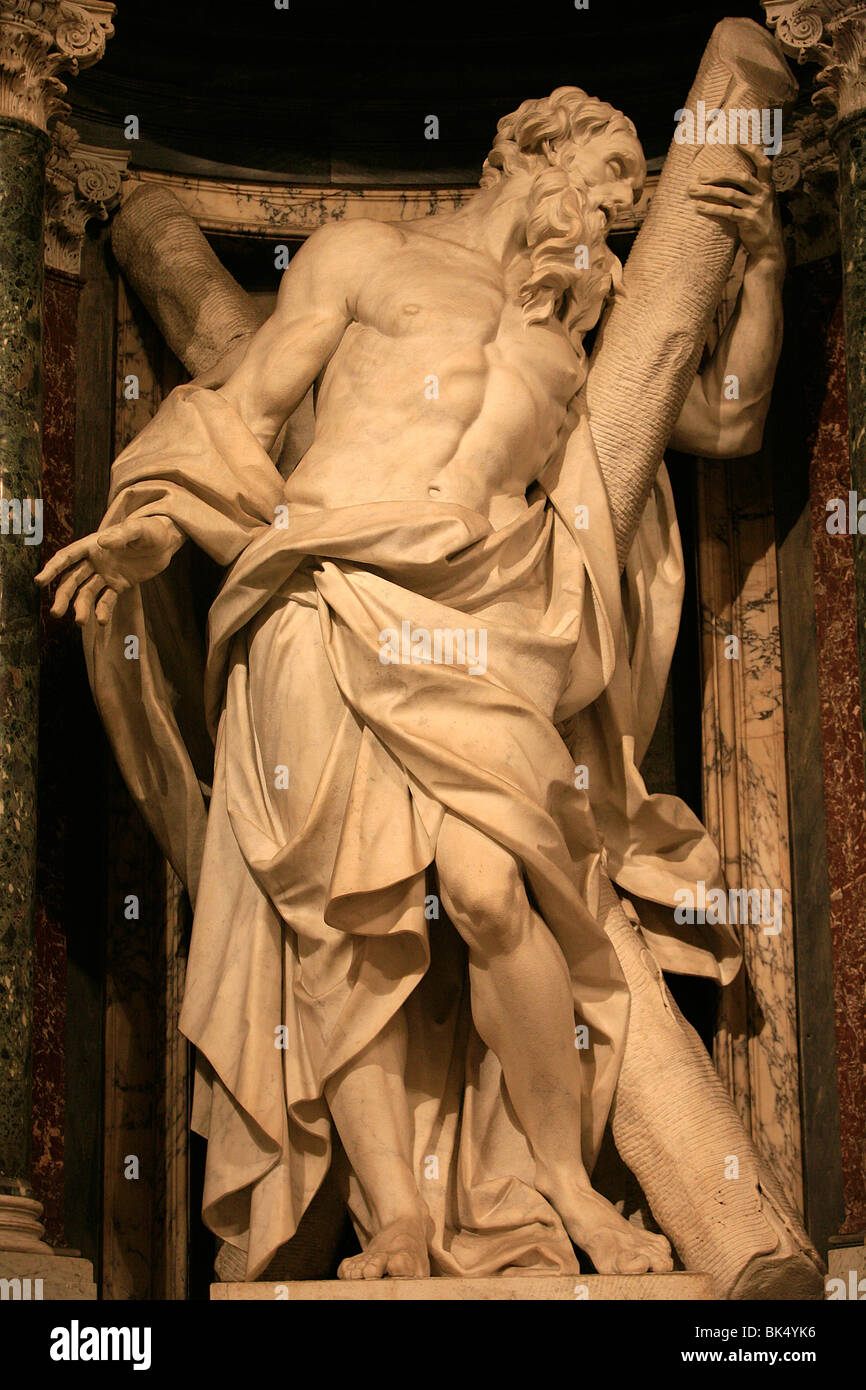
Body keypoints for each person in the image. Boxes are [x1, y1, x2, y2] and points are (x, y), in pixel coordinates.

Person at [37, 88, 785, 1281]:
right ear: (527, 153)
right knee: (341, 918)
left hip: (480, 627)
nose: (608, 211)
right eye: (603, 177)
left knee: (491, 891)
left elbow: (729, 423)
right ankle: (392, 1209)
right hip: (322, 596)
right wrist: (158, 520)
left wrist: (759, 267)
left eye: (623, 201)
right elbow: (244, 404)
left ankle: (560, 1184)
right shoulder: (362, 257)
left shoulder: (571, 339)